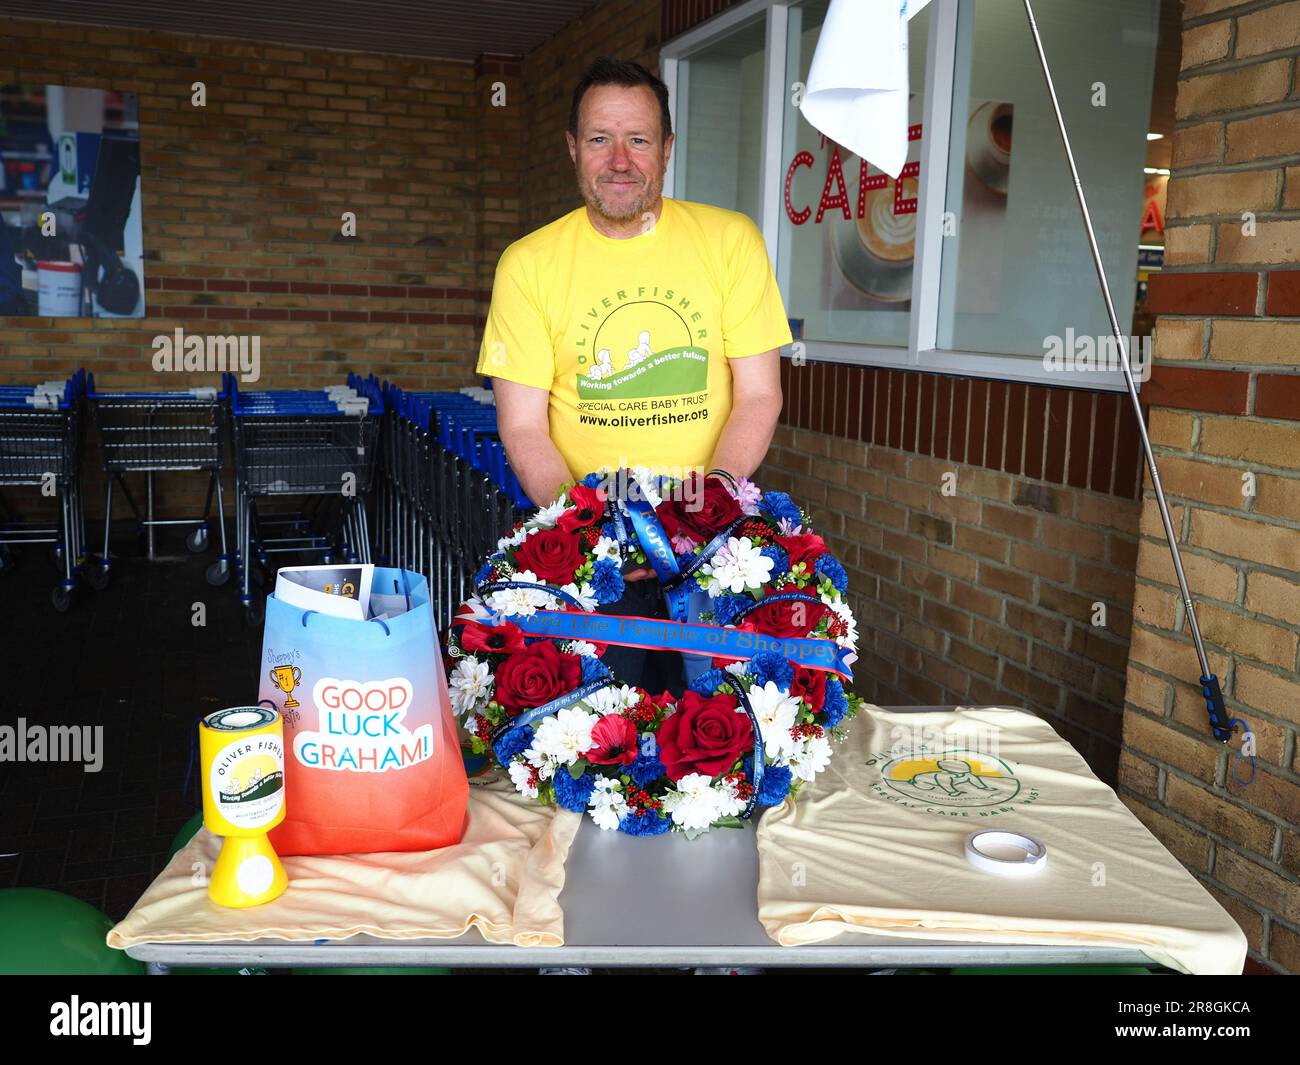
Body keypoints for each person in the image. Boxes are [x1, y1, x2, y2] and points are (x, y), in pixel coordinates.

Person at [476, 56, 790, 694]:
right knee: (594, 747)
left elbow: (759, 396)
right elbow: (524, 427)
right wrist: (596, 536)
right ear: (573, 149)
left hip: (713, 549)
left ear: (668, 149)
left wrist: (700, 517)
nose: (619, 159)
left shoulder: (732, 242)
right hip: (585, 555)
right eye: (600, 138)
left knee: (711, 744)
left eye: (638, 139)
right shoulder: (527, 265)